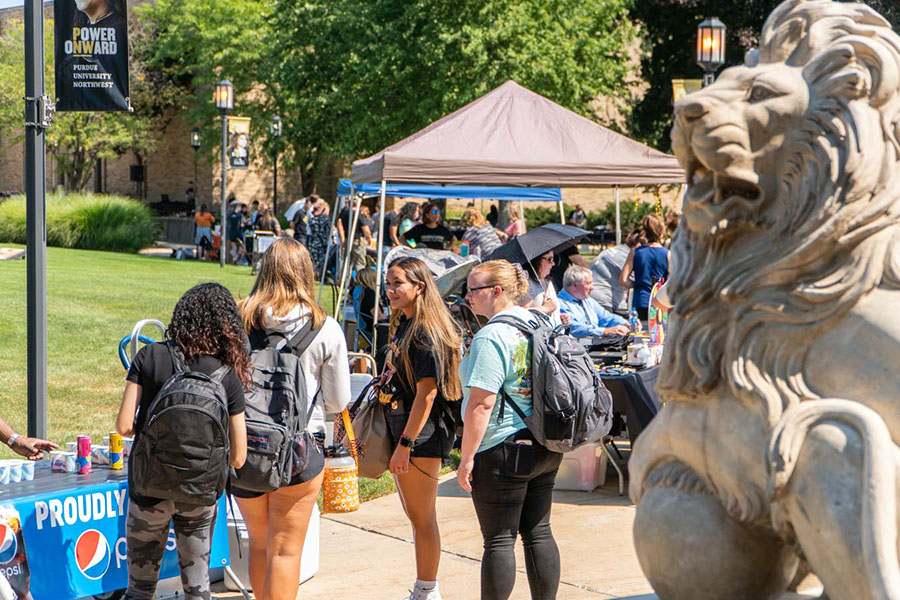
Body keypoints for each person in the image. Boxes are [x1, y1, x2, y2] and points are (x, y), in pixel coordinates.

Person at [115, 283, 248, 600]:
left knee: (139, 590)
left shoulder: (150, 356)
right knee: (198, 588)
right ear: (225, 324)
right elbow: (239, 457)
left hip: (148, 489)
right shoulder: (226, 375)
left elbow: (122, 427)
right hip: (199, 494)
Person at [235, 238, 350, 600]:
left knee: (258, 542)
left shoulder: (240, 317)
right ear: (306, 272)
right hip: (301, 446)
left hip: (245, 443)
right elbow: (337, 400)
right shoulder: (325, 326)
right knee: (285, 548)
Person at [457, 259, 563, 600]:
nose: (467, 297)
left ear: (496, 292)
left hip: (502, 448)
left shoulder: (491, 336)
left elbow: (481, 404)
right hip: (545, 442)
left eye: (473, 290)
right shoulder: (538, 321)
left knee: (500, 540)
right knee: (539, 532)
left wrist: (467, 457)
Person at [382, 257, 463, 600]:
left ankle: (427, 591)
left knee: (422, 517)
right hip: (411, 431)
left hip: (421, 435)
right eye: (388, 283)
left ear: (419, 286)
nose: (390, 290)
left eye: (398, 283)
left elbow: (427, 394)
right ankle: (425, 589)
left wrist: (405, 444)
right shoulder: (408, 323)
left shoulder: (425, 331)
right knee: (417, 516)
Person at [620, 214, 670, 321]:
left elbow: (623, 280)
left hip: (640, 300)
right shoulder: (668, 254)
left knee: (641, 334)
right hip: (661, 302)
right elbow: (674, 280)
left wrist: (637, 285)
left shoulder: (635, 252)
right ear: (661, 231)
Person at [558, 265, 629, 338]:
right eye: (588, 283)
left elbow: (607, 318)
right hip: (576, 346)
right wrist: (605, 331)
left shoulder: (587, 301)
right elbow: (573, 328)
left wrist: (626, 323)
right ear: (574, 286)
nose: (592, 287)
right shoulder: (560, 304)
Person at [589, 227, 644, 314]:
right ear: (638, 244)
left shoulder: (617, 250)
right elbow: (639, 280)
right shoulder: (626, 257)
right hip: (604, 300)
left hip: (592, 295)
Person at [519, 251, 562, 325]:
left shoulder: (547, 282)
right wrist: (545, 308)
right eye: (549, 259)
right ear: (536, 260)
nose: (553, 263)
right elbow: (521, 313)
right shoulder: (526, 283)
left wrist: (558, 317)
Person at [306, 200, 332, 275]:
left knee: (315, 261)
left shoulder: (313, 220)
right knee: (320, 260)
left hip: (315, 242)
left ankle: (315, 274)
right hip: (321, 243)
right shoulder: (324, 219)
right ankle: (318, 274)